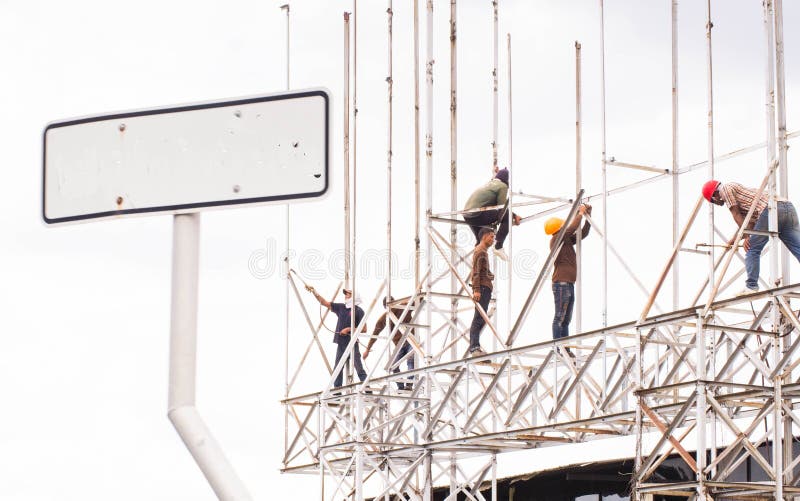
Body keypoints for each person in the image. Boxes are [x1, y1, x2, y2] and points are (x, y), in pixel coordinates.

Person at [702, 179, 800, 294]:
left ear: (715, 195)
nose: (717, 204)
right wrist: (734, 240)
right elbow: (750, 224)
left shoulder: (725, 190)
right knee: (797, 247)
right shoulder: (743, 199)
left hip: (771, 209)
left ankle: (751, 286)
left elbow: (736, 214)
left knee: (752, 248)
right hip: (787, 207)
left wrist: (748, 236)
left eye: (713, 202)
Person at [544, 204, 592, 352]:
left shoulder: (565, 240)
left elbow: (582, 234)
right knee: (560, 317)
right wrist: (580, 213)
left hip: (568, 284)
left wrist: (588, 216)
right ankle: (558, 347)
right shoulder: (557, 238)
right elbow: (572, 228)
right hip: (561, 284)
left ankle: (564, 349)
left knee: (566, 320)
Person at [306, 285, 368, 388]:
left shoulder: (359, 311)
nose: (346, 296)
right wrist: (315, 292)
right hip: (341, 343)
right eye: (346, 294)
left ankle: (367, 390)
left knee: (359, 369)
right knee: (337, 369)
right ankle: (337, 393)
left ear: (354, 296)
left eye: (348, 294)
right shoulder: (341, 308)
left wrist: (349, 329)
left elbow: (364, 329)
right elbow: (324, 302)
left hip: (352, 343)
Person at [463, 167, 521, 261]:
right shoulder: (502, 186)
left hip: (467, 215)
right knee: (507, 217)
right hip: (478, 214)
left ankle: (477, 263)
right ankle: (498, 245)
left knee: (481, 240)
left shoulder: (489, 183)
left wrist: (496, 173)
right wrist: (513, 216)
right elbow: (501, 208)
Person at [363, 296, 417, 390]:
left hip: (410, 340)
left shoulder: (404, 307)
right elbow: (375, 333)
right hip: (399, 345)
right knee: (393, 366)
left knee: (411, 360)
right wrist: (367, 349)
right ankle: (401, 386)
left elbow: (418, 300)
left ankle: (409, 384)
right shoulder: (384, 318)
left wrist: (419, 293)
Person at [469, 227, 495, 357]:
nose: (493, 240)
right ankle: (474, 347)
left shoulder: (483, 251)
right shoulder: (480, 251)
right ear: (484, 236)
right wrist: (477, 290)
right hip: (482, 288)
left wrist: (490, 275)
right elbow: (476, 272)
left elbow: (482, 270)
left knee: (481, 317)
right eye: (491, 237)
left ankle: (475, 346)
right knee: (479, 318)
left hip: (485, 287)